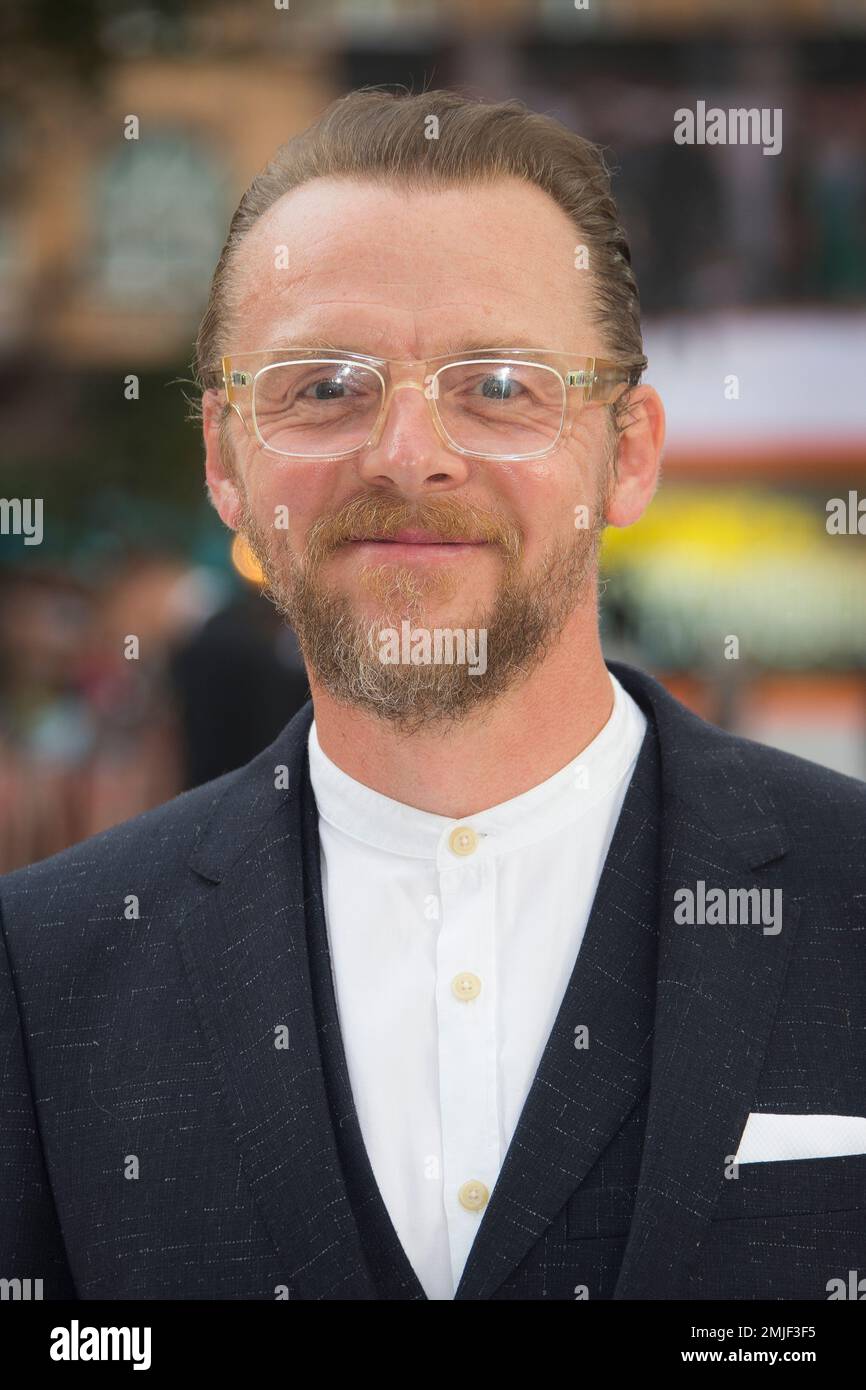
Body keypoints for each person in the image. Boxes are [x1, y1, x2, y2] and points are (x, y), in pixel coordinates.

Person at [1, 88, 864, 1302]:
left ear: (627, 453)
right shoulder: (41, 971)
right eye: (323, 385)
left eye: (499, 385)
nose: (408, 452)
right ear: (222, 460)